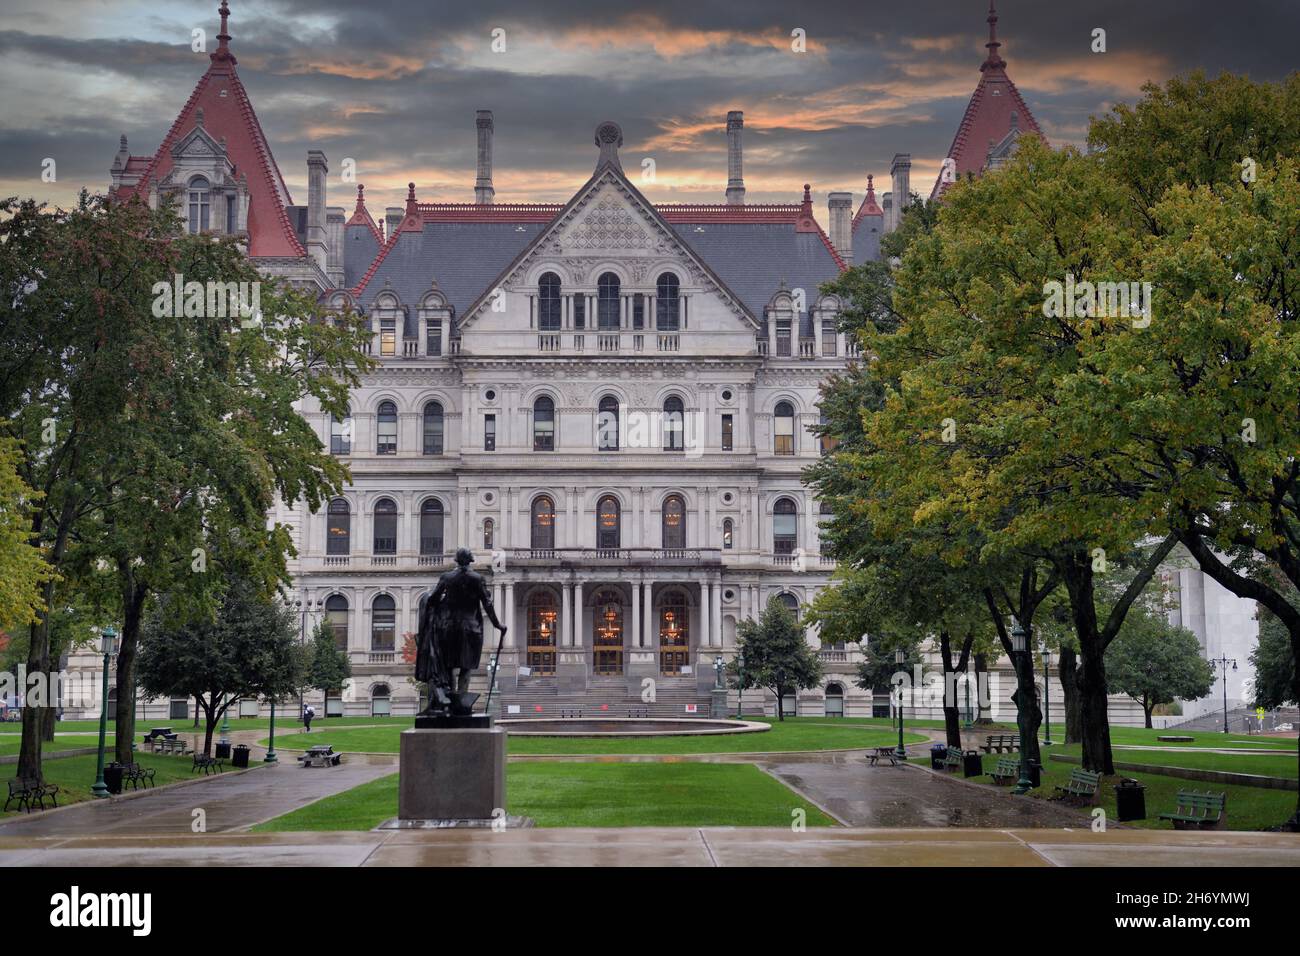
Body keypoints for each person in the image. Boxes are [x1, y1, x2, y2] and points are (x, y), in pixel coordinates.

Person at [416, 547, 506, 714]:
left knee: (448, 666)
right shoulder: (477, 579)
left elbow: (433, 599)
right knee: (466, 667)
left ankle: (449, 703)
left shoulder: (447, 578)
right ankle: (462, 704)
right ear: (470, 560)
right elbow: (487, 603)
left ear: (457, 561)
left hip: (448, 628)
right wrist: (497, 624)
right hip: (471, 629)